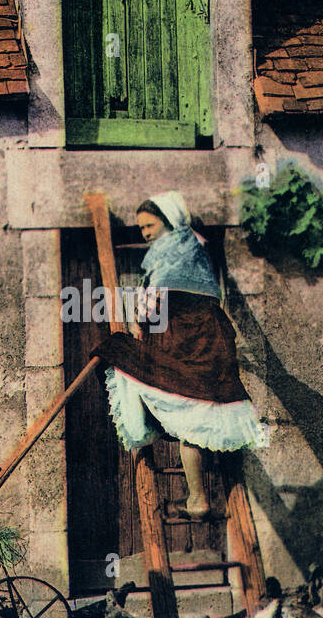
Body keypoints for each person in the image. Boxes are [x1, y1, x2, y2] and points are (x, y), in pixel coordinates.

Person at [93, 191, 266, 519]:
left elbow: (154, 299)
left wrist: (134, 324)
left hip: (188, 339)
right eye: (141, 228)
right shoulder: (195, 245)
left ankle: (197, 498)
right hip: (210, 337)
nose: (145, 233)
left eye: (149, 225)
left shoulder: (172, 250)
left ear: (168, 220)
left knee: (127, 358)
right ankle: (196, 496)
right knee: (196, 415)